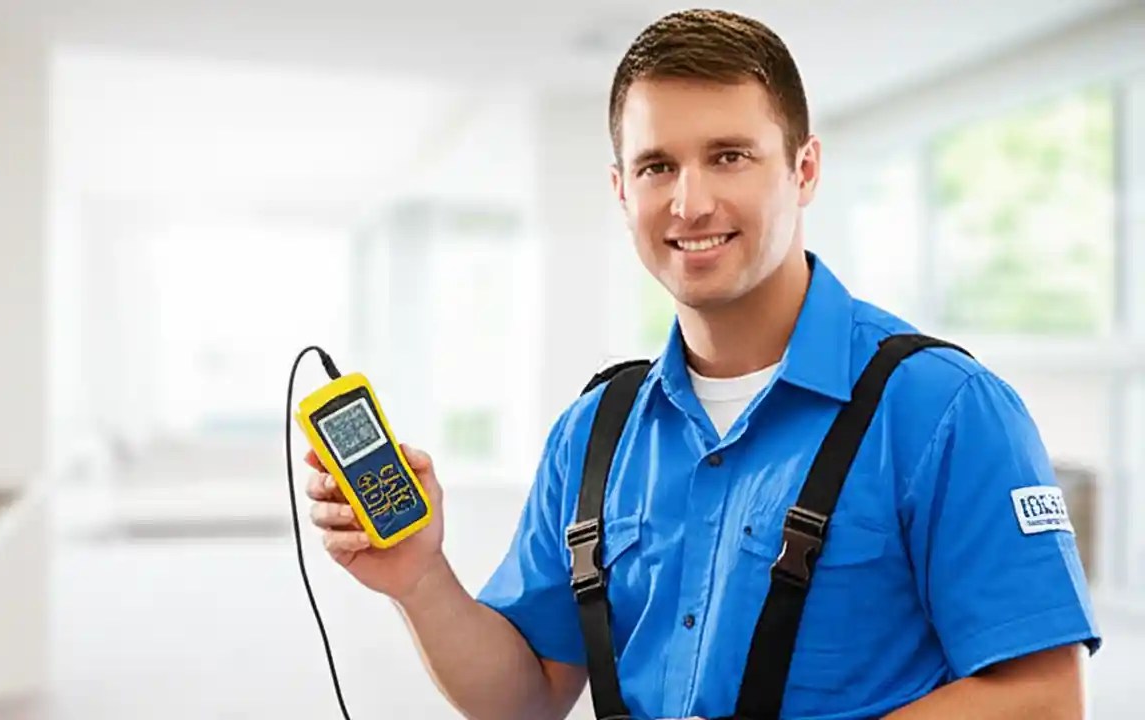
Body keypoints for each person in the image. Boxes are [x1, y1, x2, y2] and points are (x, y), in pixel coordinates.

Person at [303, 8, 1100, 719]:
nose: (689, 203)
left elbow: (1043, 697)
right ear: (622, 191)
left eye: (729, 156)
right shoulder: (593, 434)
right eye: (657, 166)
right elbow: (525, 695)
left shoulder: (943, 409)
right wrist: (420, 578)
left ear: (805, 169)